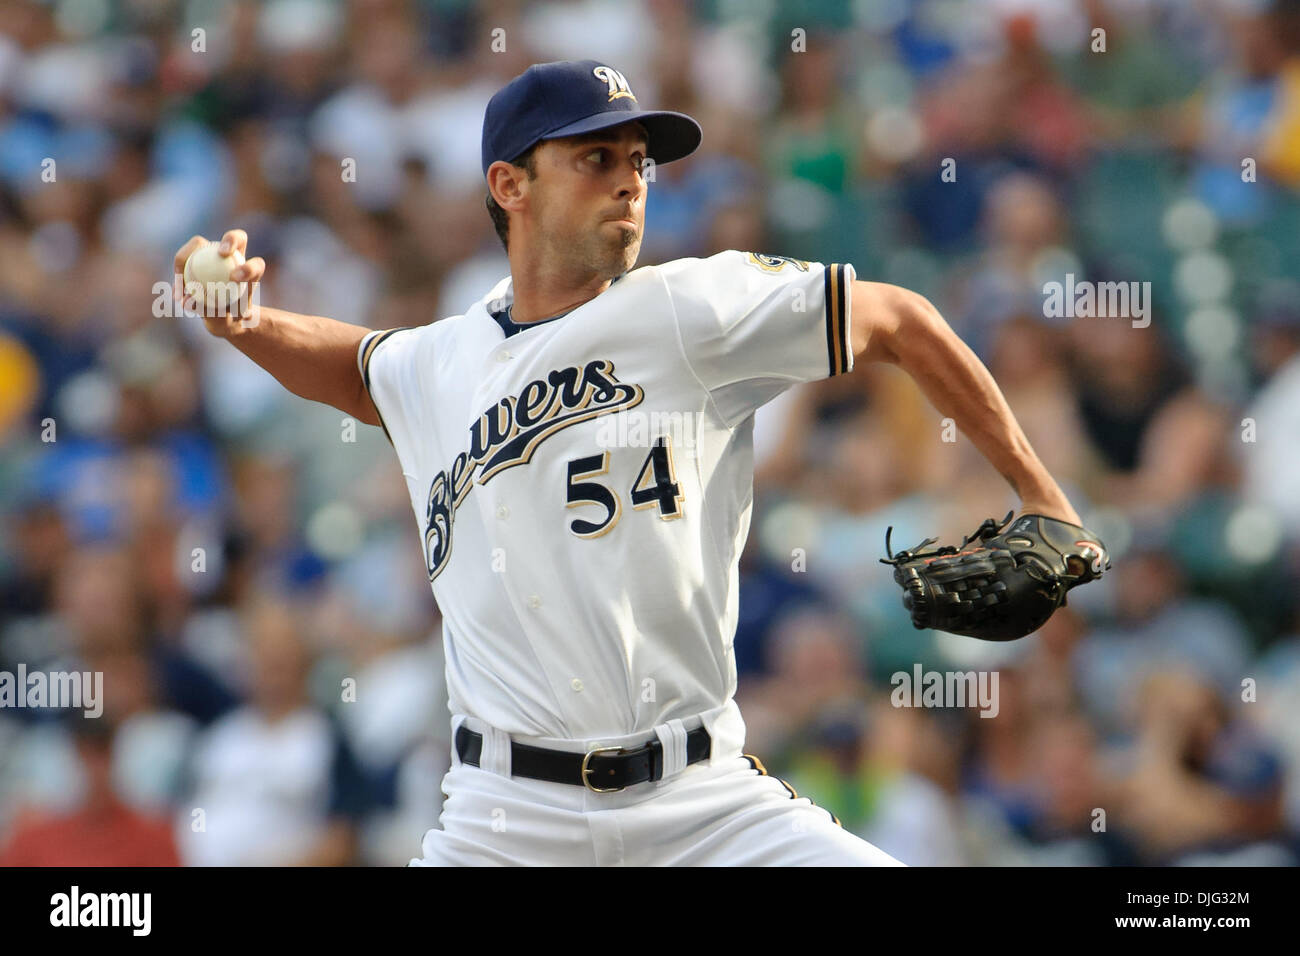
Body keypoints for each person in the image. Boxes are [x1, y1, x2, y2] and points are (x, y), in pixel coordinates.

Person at [171, 59, 1083, 866]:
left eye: (639, 161)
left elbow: (899, 319)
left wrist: (1043, 496)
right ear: (509, 183)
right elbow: (355, 367)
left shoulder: (688, 309)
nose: (630, 182)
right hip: (506, 820)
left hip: (704, 806)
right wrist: (247, 322)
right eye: (595, 158)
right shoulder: (439, 362)